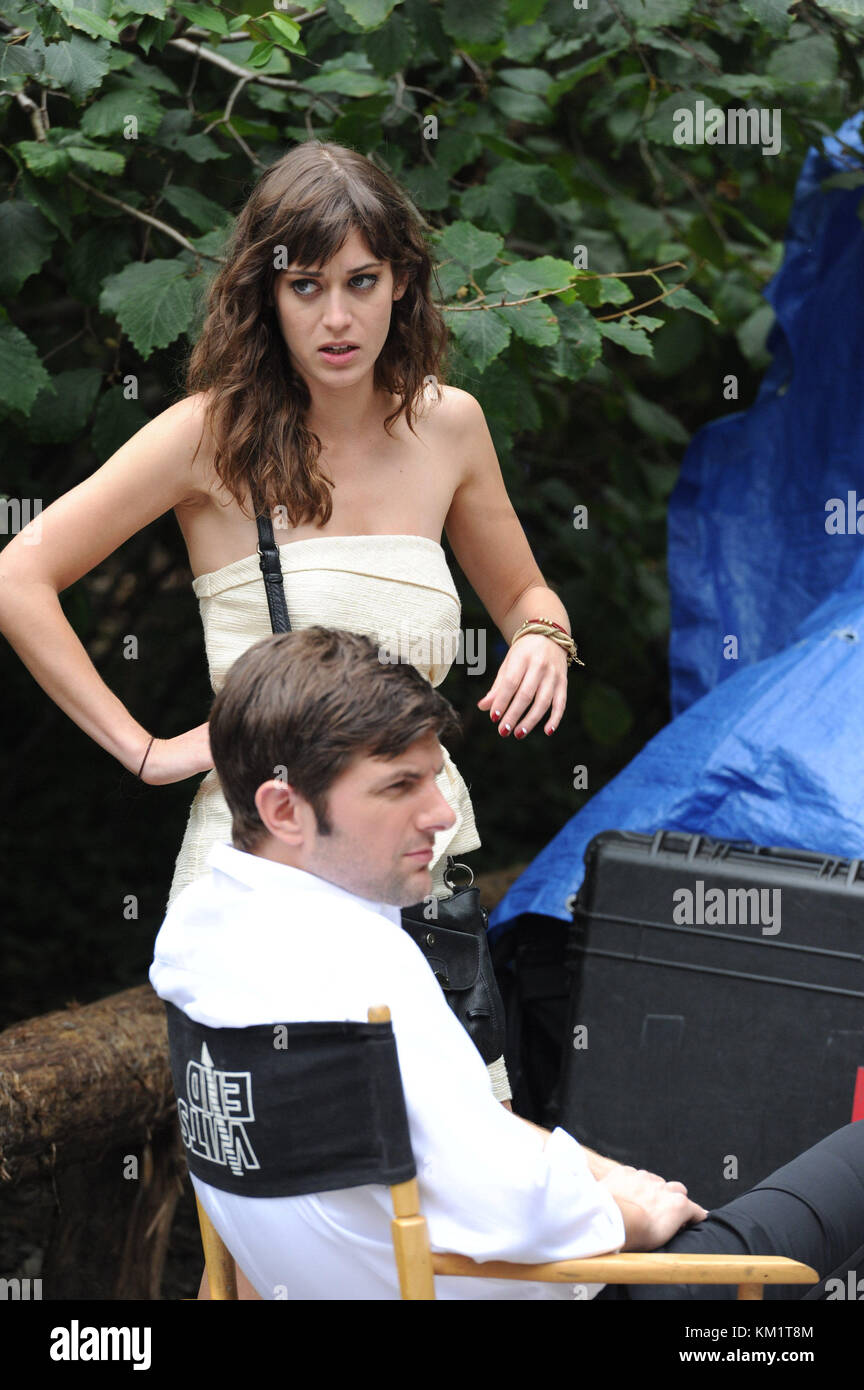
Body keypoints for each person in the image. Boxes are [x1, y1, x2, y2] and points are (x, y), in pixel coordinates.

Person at [0, 140, 582, 1115]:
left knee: (454, 1176)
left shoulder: (451, 426)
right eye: (306, 284)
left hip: (422, 855)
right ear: (265, 294)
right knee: (297, 1187)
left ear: (404, 280)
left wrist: (541, 639)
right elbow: (20, 573)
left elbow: (530, 597)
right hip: (270, 872)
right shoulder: (207, 435)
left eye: (362, 280)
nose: (338, 316)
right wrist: (144, 750)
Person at [151, 628, 864, 1301]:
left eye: (436, 778)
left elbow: (454, 1136)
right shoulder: (359, 970)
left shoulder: (197, 939)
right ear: (285, 809)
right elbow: (517, 1211)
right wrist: (624, 1215)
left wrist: (604, 1173)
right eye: (400, 786)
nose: (441, 815)